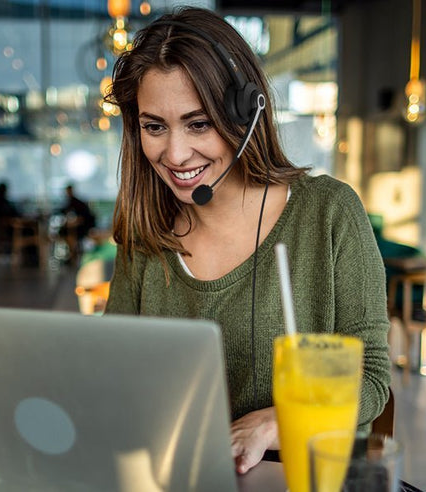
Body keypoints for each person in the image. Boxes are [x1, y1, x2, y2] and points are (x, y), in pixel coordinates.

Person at [102, 8, 390, 475]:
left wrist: (282, 421)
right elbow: (110, 366)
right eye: (155, 126)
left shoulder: (329, 213)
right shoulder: (146, 231)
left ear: (246, 113)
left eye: (198, 124)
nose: (175, 154)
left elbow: (372, 378)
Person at [59, 185, 97, 255]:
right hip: (81, 226)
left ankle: (73, 253)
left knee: (67, 232)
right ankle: (72, 253)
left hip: (84, 227)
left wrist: (73, 222)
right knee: (64, 232)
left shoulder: (77, 202)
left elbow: (82, 218)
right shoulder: (70, 201)